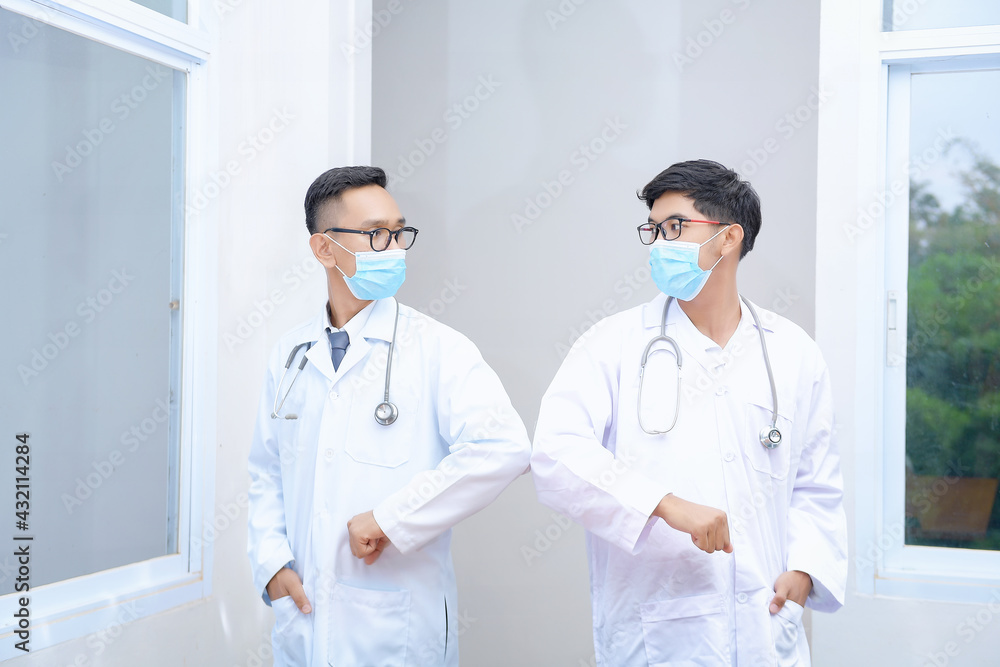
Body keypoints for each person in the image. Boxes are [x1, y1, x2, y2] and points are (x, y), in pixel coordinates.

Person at [530, 159, 847, 666]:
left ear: (728, 239)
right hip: (657, 630)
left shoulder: (792, 351)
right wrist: (664, 504)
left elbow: (815, 482)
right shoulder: (612, 345)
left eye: (674, 227)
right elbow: (555, 453)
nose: (658, 244)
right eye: (652, 230)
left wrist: (806, 571)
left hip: (767, 624)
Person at [247, 166, 531, 666]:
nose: (395, 248)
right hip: (305, 614)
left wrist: (391, 518)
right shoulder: (289, 356)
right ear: (324, 250)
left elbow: (503, 448)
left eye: (399, 232)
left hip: (396, 623)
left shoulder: (438, 348)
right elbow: (267, 470)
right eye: (377, 234)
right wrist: (271, 562)